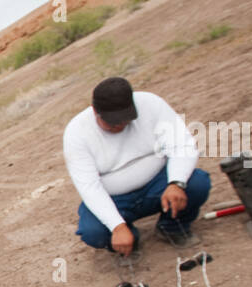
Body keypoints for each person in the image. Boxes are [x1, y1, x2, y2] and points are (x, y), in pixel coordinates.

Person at [63, 77, 211, 255]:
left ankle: (171, 228)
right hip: (116, 199)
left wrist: (176, 183)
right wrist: (117, 227)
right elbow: (89, 187)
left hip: (158, 184)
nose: (119, 125)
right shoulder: (76, 133)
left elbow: (182, 145)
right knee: (93, 232)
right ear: (95, 111)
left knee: (197, 184)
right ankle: (129, 241)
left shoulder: (151, 103)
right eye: (112, 122)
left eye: (125, 120)